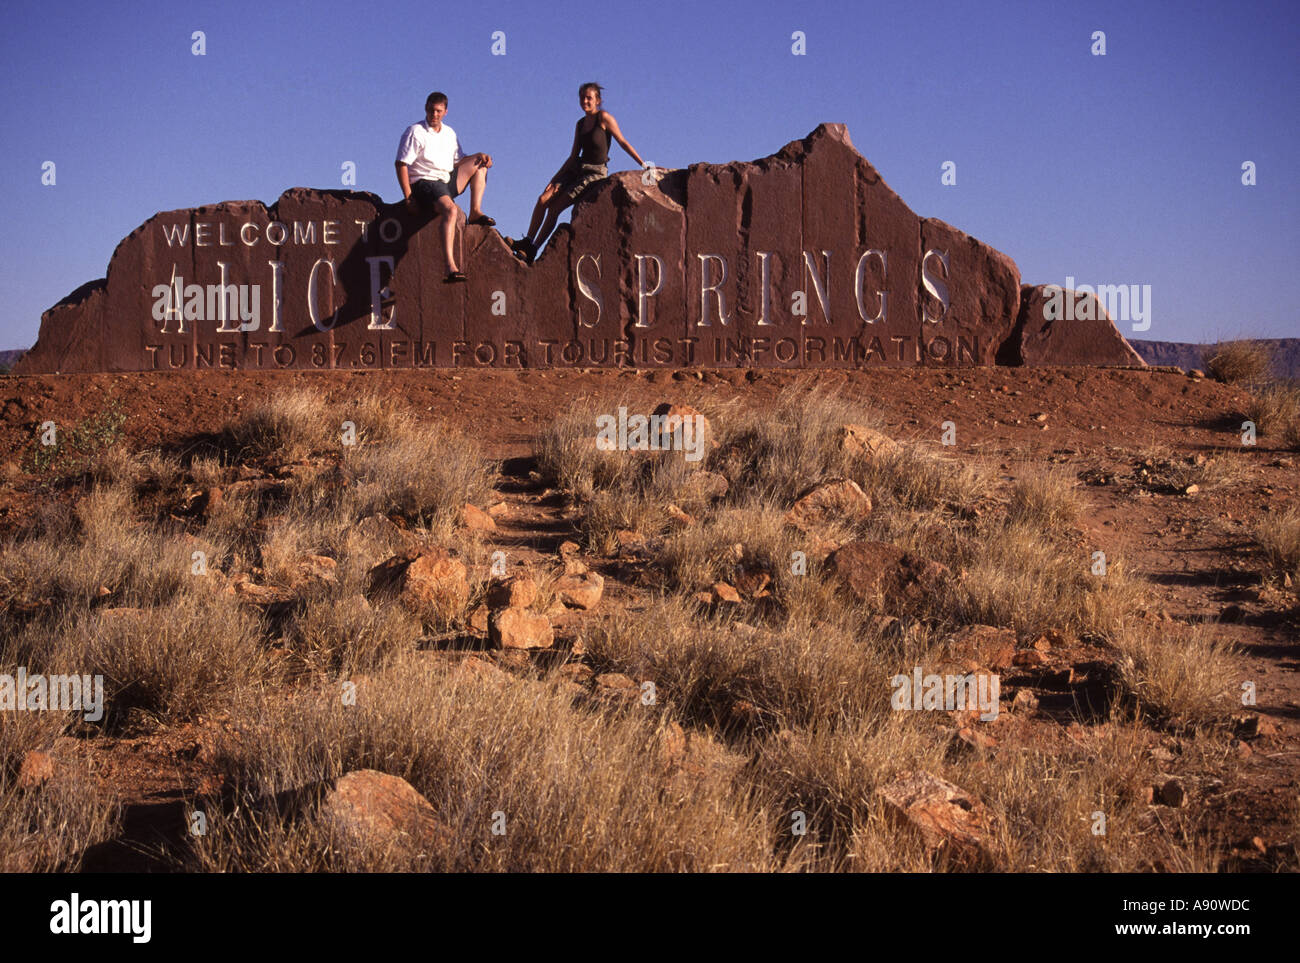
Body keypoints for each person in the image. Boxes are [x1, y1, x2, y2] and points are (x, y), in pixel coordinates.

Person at [509, 83, 649, 264]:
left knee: (555, 209)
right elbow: (573, 156)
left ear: (597, 100)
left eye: (589, 98)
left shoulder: (604, 118)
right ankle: (527, 241)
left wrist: (644, 164)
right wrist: (555, 179)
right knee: (543, 199)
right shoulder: (580, 124)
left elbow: (622, 141)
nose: (585, 101)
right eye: (582, 97)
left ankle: (533, 250)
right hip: (577, 168)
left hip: (594, 173)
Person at [395, 91, 496, 283]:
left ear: (446, 112)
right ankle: (450, 267)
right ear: (426, 109)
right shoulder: (415, 132)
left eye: (439, 111)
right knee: (450, 211)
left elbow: (458, 161)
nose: (434, 115)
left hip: (445, 180)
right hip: (424, 183)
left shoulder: (450, 133)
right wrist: (409, 197)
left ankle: (475, 211)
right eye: (431, 111)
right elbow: (401, 164)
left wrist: (480, 155)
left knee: (480, 164)